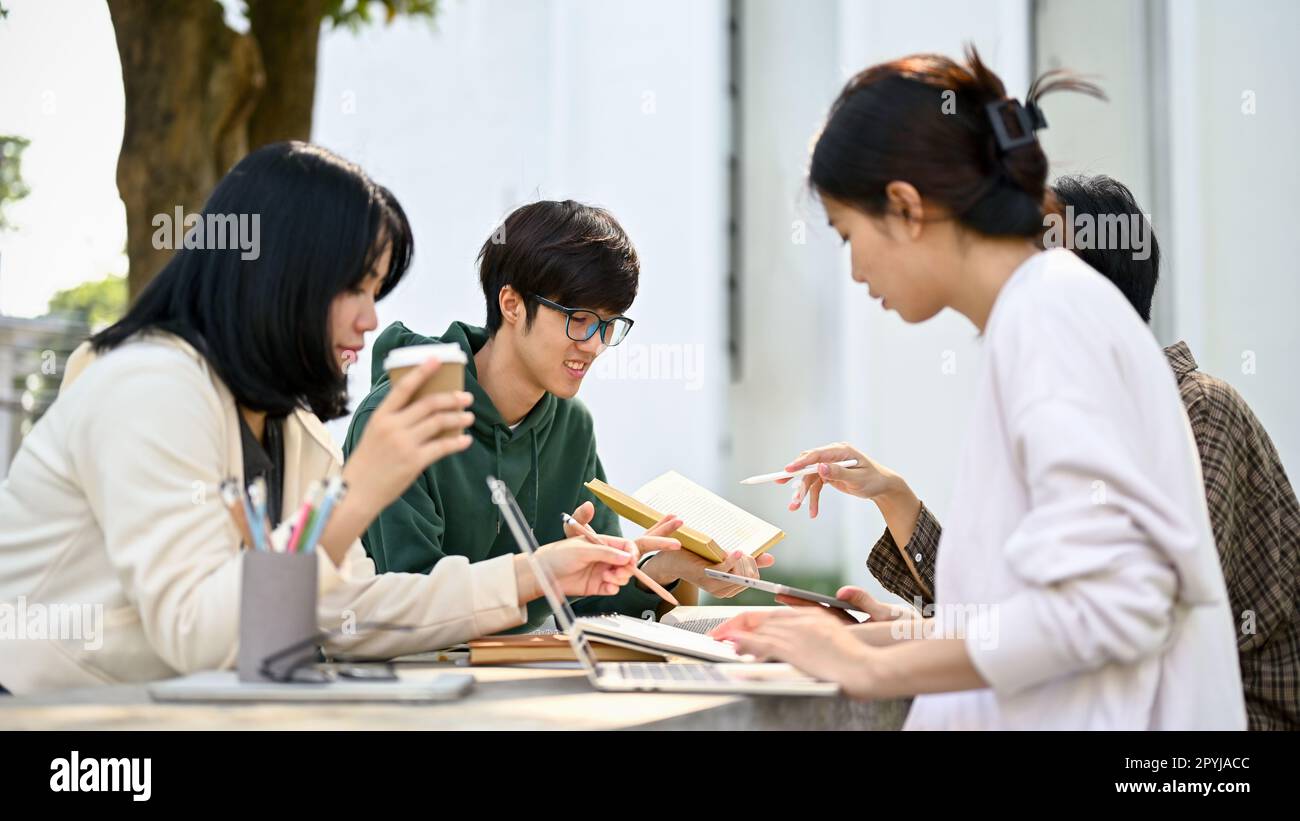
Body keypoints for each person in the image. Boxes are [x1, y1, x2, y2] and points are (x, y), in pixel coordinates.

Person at [0, 142, 661, 694]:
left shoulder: (292, 428)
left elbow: (346, 612)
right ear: (276, 276)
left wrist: (532, 572)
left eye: (376, 291)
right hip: (55, 717)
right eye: (354, 287)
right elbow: (199, 631)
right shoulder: (150, 387)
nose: (371, 318)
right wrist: (352, 499)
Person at [712, 49, 1246, 729]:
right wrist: (856, 642)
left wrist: (871, 667)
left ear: (905, 208)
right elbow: (1025, 619)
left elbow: (1115, 604)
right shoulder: (1043, 311)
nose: (854, 272)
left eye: (849, 235)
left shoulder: (1051, 316)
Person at [780, 174, 1298, 730]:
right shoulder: (1081, 385)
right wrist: (904, 610)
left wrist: (884, 655)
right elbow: (1038, 613)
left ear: (1080, 285)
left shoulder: (1199, 409)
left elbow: (1101, 622)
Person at [345, 200, 772, 630]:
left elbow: (586, 606)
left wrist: (664, 567)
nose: (594, 345)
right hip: (411, 684)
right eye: (579, 319)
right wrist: (541, 573)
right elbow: (402, 603)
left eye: (608, 325)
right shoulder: (402, 416)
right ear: (511, 305)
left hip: (524, 679)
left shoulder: (572, 425)